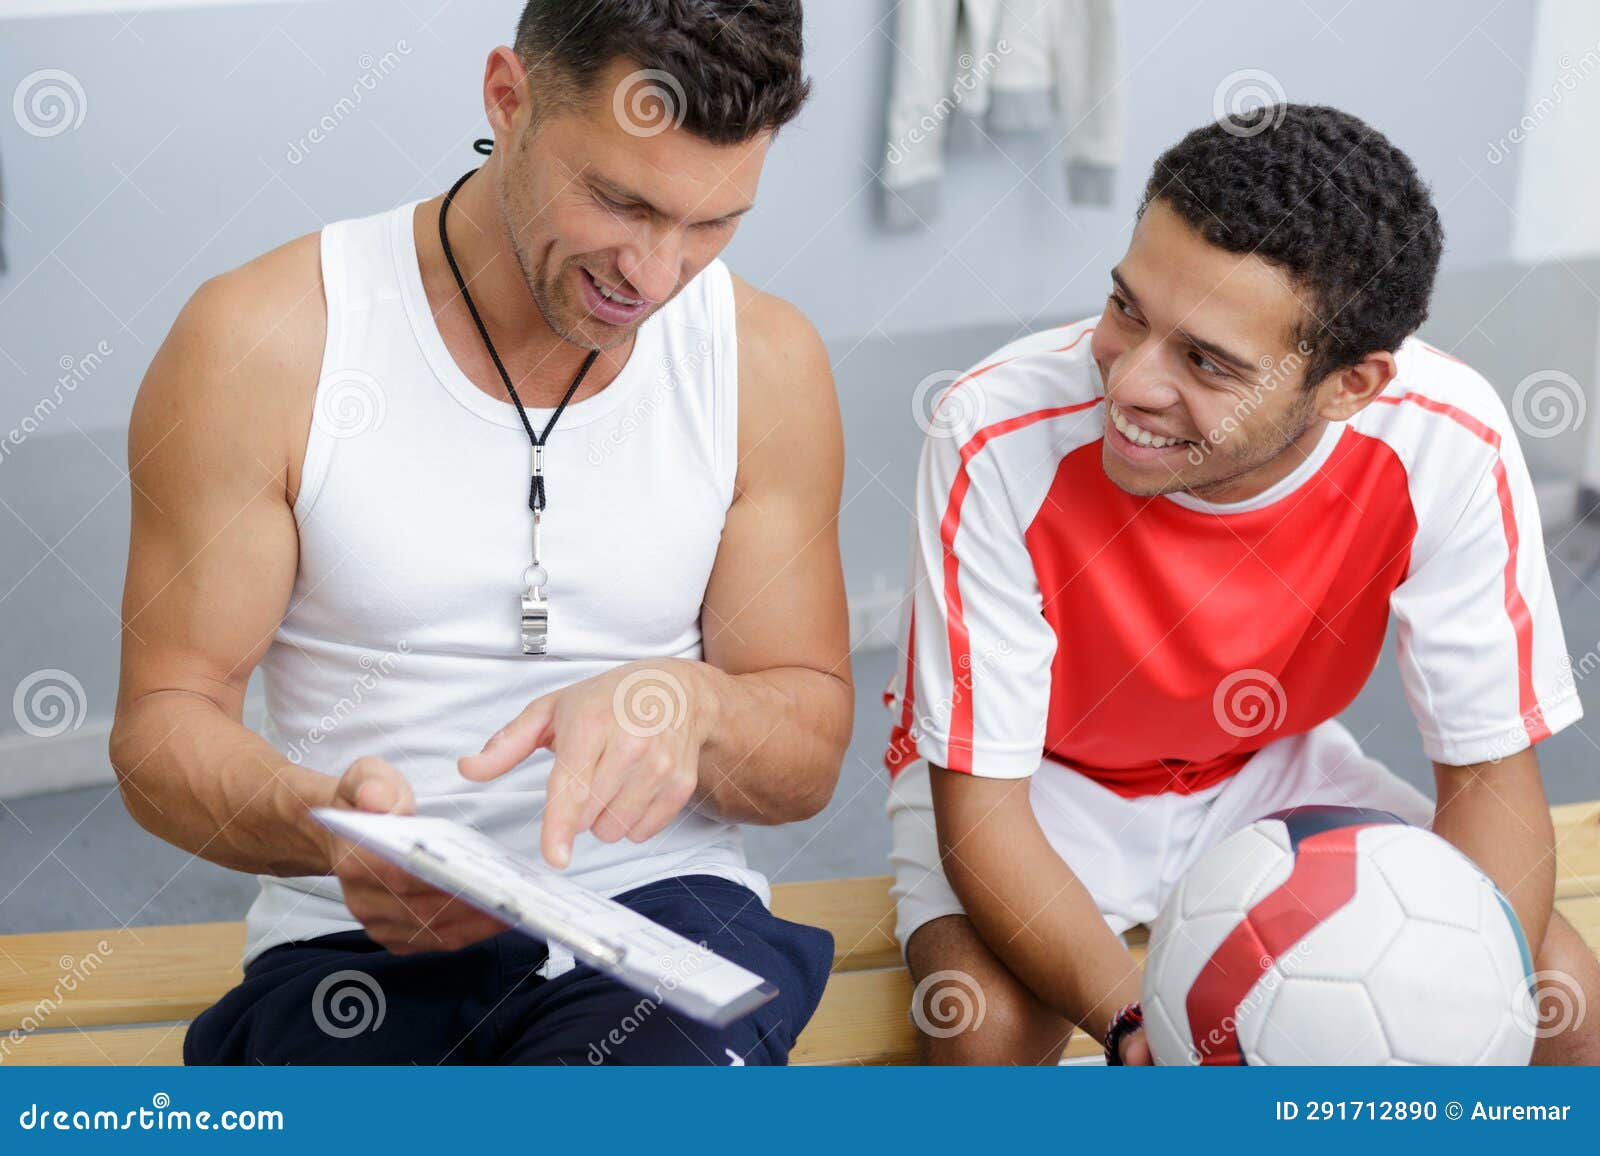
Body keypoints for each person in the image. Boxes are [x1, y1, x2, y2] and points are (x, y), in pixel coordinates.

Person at [111, 0, 852, 1066]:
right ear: (507, 98)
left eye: (711, 222)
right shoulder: (263, 341)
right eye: (618, 199)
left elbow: (808, 753)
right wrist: (327, 822)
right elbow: (159, 731)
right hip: (353, 941)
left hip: (660, 921)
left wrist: (699, 709)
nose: (653, 274)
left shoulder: (765, 361)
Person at [882, 103, 1600, 1065]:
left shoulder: (1447, 438)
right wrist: (1143, 1026)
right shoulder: (992, 433)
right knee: (982, 1031)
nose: (1130, 382)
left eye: (1207, 361)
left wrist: (1464, 1003)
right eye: (1128, 306)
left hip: (1270, 775)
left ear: (1350, 386)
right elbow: (984, 817)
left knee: (1555, 995)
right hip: (1038, 786)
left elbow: (1488, 782)